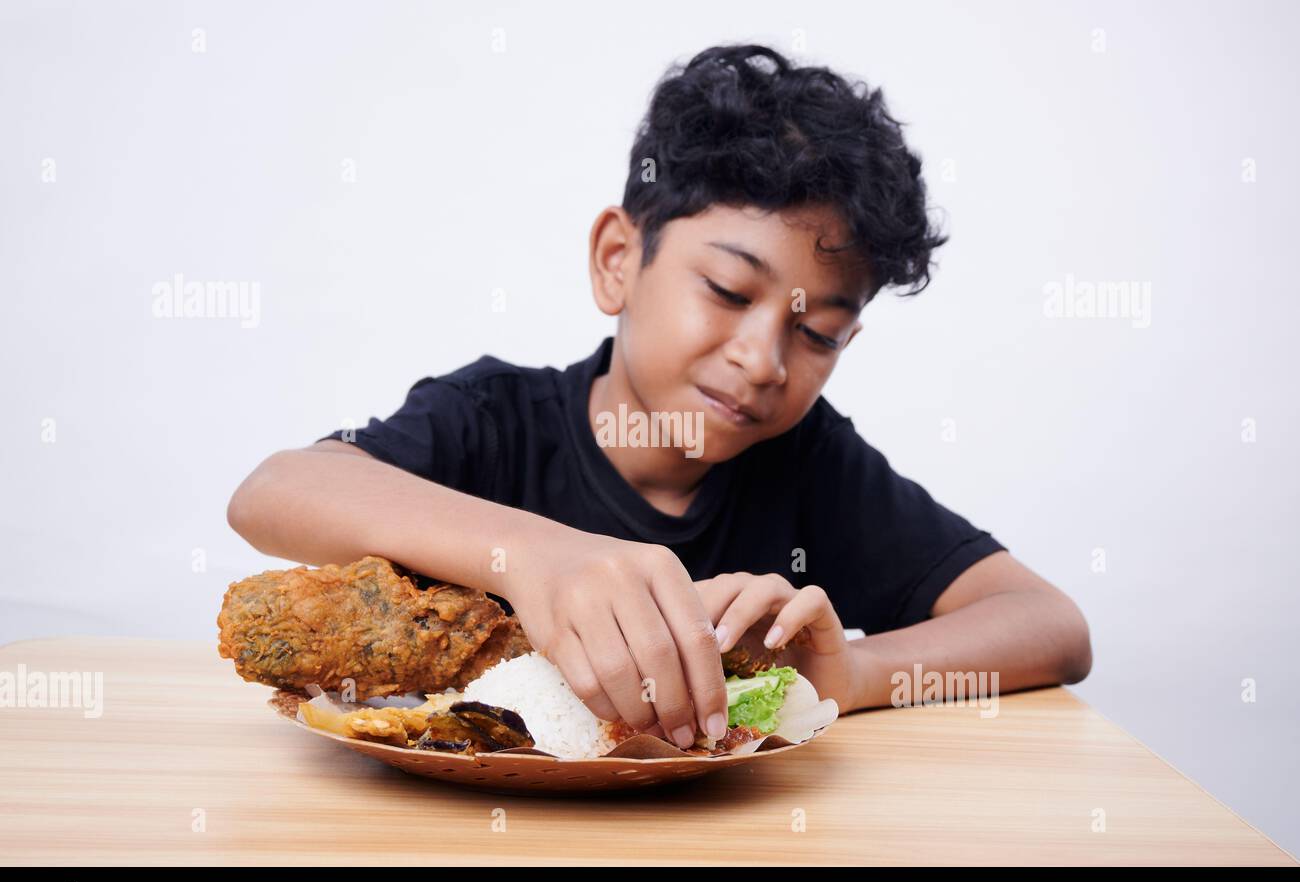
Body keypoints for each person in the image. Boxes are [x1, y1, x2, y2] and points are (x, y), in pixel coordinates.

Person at [227, 44, 1091, 751]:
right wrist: (534, 558)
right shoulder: (495, 420)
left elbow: (1050, 624)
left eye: (816, 332)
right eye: (724, 289)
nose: (762, 359)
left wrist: (851, 676)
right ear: (617, 260)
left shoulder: (811, 462)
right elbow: (273, 492)